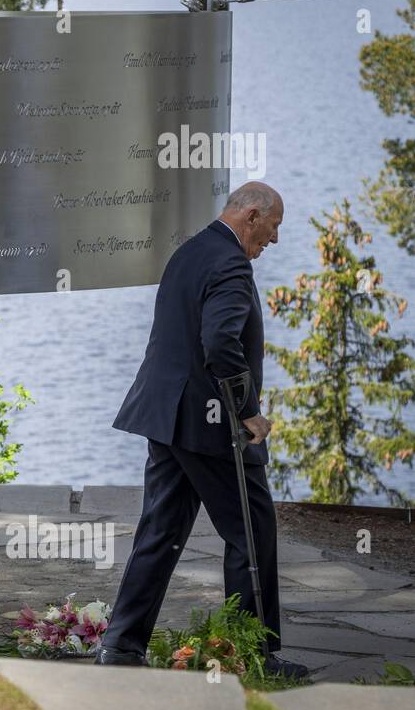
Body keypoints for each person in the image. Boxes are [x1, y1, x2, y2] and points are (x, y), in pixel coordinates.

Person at [97, 182, 308, 679]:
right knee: (252, 532)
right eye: (273, 227)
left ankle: (121, 645)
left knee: (162, 530)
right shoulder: (232, 264)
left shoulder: (190, 251)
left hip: (167, 417)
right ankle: (253, 655)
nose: (273, 240)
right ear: (252, 215)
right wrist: (248, 411)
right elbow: (219, 343)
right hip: (208, 422)